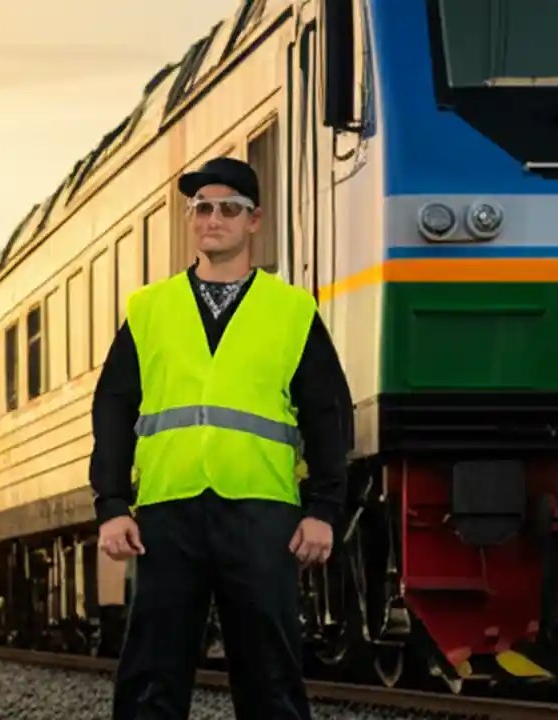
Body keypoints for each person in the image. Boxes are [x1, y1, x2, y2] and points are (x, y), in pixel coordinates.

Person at [90, 156, 351, 719]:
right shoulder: (149, 309)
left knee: (271, 677)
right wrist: (112, 505)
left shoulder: (291, 311)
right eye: (202, 207)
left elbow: (328, 415)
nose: (213, 218)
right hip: (167, 514)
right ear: (191, 220)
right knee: (151, 676)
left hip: (262, 514)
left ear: (253, 221)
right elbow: (112, 409)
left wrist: (325, 508)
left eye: (228, 208)